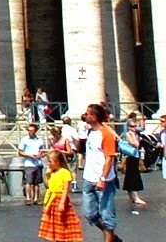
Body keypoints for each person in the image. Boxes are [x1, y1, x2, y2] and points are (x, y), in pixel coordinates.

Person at [80, 102, 118, 242]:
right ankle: (112, 237)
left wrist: (102, 178)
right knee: (89, 214)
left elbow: (109, 159)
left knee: (107, 215)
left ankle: (109, 237)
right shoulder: (90, 131)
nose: (85, 115)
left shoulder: (106, 133)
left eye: (88, 113)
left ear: (94, 117)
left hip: (104, 180)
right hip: (89, 179)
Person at [39, 149, 83, 242]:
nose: (49, 163)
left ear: (58, 161)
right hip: (51, 199)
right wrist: (47, 175)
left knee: (62, 222)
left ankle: (63, 238)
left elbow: (66, 189)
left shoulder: (65, 172)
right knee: (53, 223)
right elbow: (47, 186)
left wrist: (62, 202)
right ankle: (56, 238)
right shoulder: (52, 172)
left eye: (50, 161)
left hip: (59, 199)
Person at [120, 115, 147, 207]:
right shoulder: (128, 134)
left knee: (131, 176)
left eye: (135, 126)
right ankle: (135, 197)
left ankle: (131, 196)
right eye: (132, 126)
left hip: (135, 156)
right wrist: (134, 136)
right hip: (130, 157)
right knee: (133, 176)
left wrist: (143, 121)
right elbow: (135, 144)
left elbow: (142, 128)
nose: (134, 128)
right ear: (128, 127)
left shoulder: (136, 133)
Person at [19, 122, 47, 204]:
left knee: (37, 182)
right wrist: (29, 155)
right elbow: (20, 152)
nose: (29, 132)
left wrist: (40, 155)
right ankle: (28, 198)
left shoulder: (40, 140)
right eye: (29, 130)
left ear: (35, 131)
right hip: (29, 163)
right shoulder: (24, 140)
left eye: (31, 131)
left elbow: (44, 151)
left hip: (38, 163)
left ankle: (36, 198)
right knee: (29, 182)